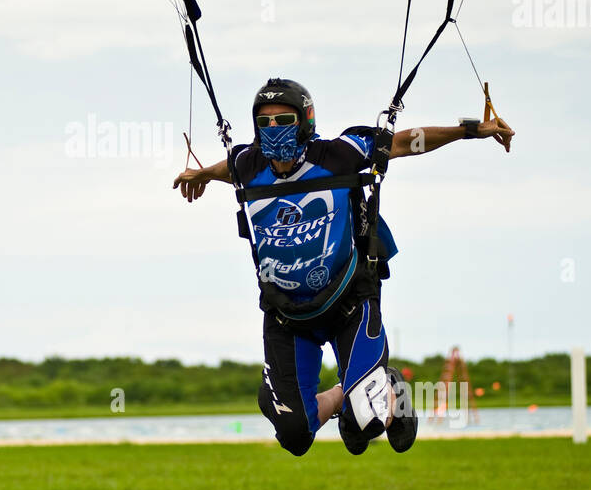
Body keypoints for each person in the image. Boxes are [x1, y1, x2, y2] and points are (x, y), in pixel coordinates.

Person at [172, 78, 514, 457]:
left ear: (305, 120)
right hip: (287, 316)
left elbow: (404, 141)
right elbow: (228, 169)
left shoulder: (339, 154)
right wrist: (203, 174)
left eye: (283, 119)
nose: (273, 130)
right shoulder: (246, 163)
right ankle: (343, 398)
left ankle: (383, 395)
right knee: (294, 434)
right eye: (264, 123)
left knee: (365, 424)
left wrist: (470, 130)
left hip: (349, 303)